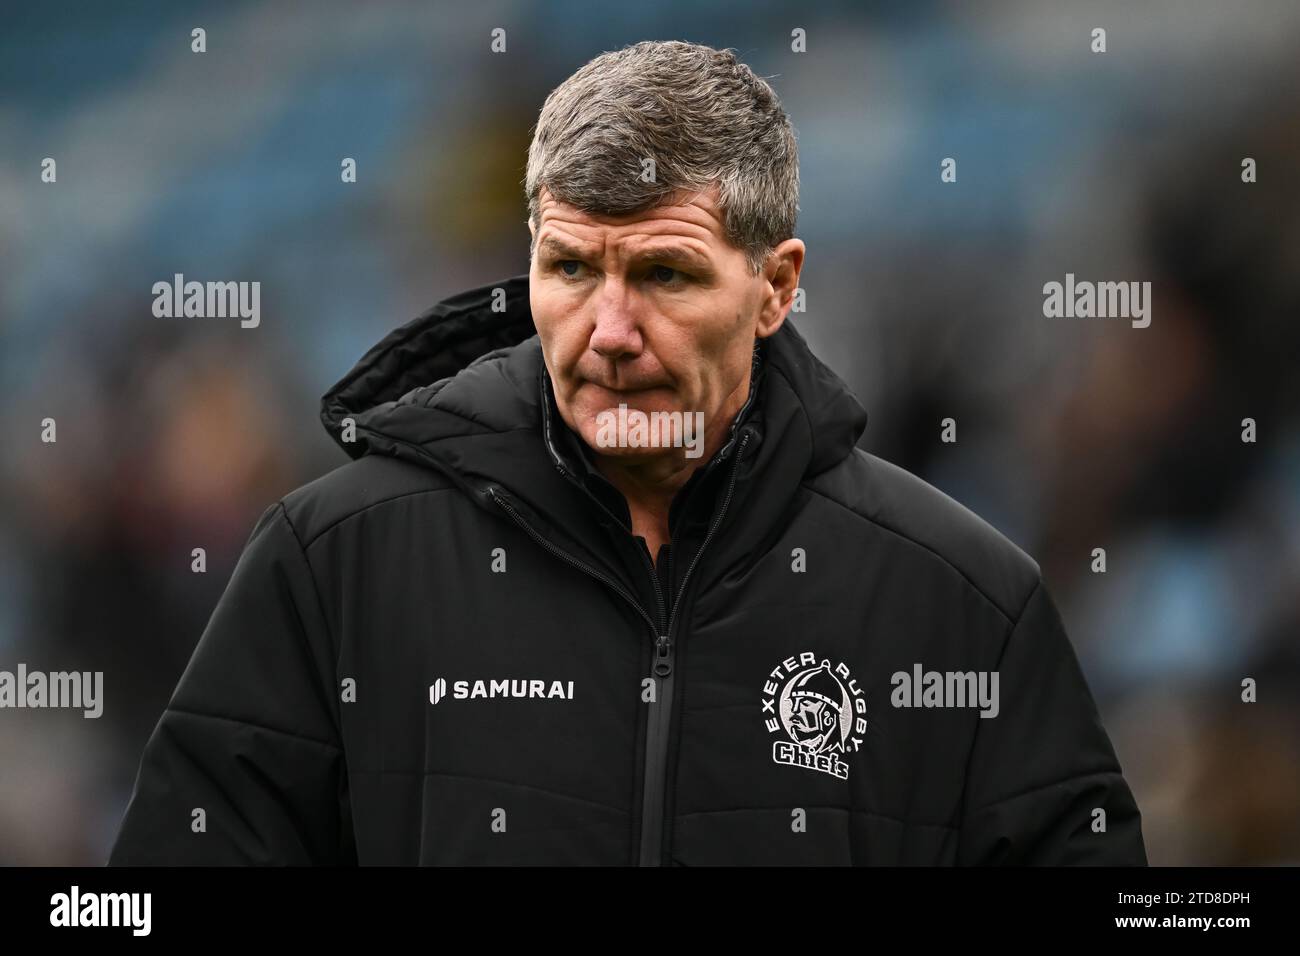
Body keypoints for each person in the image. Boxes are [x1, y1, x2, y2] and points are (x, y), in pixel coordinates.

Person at [109, 40, 1145, 866]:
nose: (608, 328)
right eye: (568, 267)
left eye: (663, 272)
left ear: (775, 287)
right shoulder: (333, 562)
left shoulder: (960, 601)